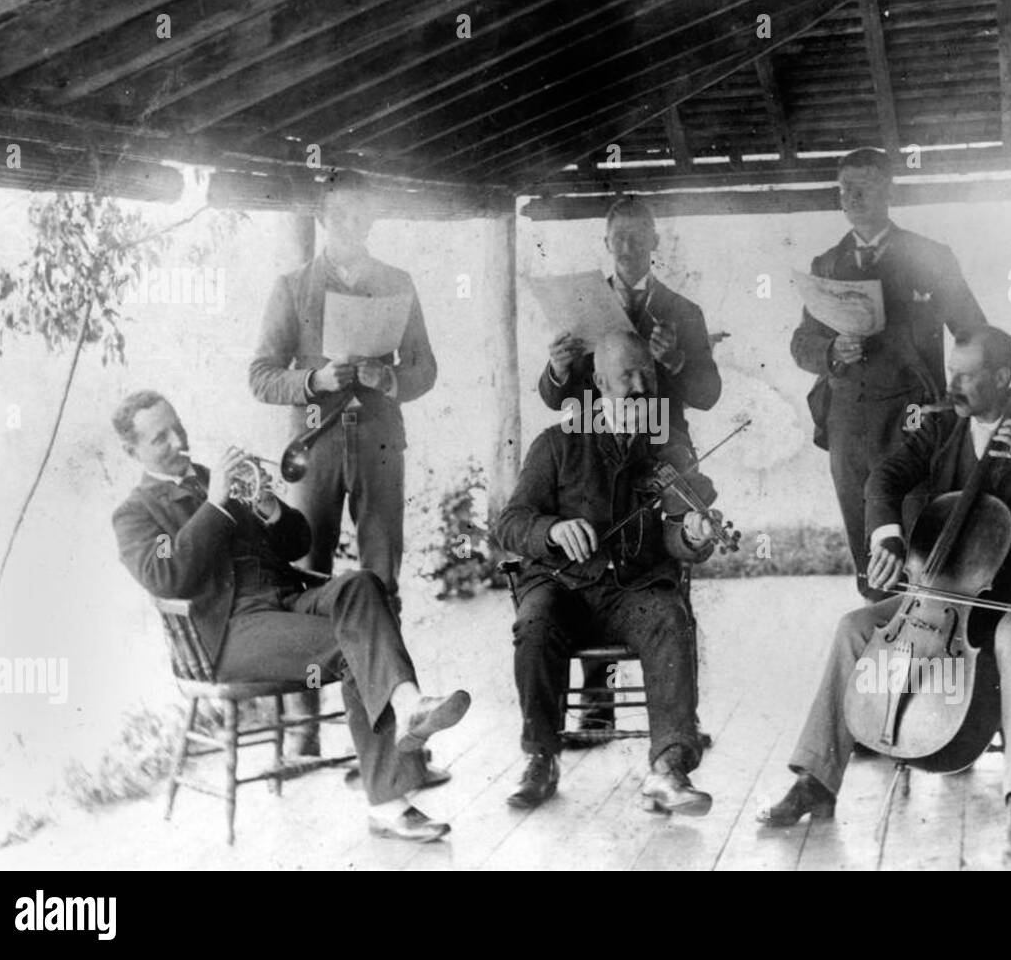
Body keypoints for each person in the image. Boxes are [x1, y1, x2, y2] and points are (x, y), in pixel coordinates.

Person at [761, 327, 1011, 857]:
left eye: (967, 374)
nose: (954, 384)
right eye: (951, 371)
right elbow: (884, 479)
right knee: (855, 628)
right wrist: (890, 536)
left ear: (1001, 375)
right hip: (946, 598)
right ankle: (816, 779)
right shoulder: (942, 430)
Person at [110, 391, 469, 841]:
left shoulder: (212, 478)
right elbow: (168, 576)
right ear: (132, 451)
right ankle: (388, 800)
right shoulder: (135, 513)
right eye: (160, 437)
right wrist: (217, 503)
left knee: (362, 584)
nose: (177, 439)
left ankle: (408, 704)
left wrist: (268, 505)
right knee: (355, 646)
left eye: (177, 426)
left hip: (285, 598)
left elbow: (297, 544)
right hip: (231, 633)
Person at [249, 168, 437, 754]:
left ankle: (394, 730)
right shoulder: (291, 286)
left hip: (380, 440)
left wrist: (391, 377)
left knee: (382, 581)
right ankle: (306, 728)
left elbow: (425, 369)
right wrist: (314, 378)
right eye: (342, 215)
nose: (354, 225)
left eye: (364, 214)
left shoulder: (397, 282)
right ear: (322, 218)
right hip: (314, 445)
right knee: (306, 569)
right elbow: (260, 375)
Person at [496, 332, 720, 814]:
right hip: (563, 587)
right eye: (627, 377)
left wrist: (694, 535)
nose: (640, 387)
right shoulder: (557, 443)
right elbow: (511, 523)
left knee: (669, 617)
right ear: (598, 383)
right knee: (534, 624)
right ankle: (540, 756)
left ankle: (669, 768)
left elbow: (675, 534)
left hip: (631, 591)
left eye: (648, 375)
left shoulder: (668, 446)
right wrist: (552, 530)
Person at [539, 195, 722, 736]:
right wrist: (556, 368)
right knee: (594, 552)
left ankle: (677, 714)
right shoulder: (580, 305)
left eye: (639, 237)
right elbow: (555, 399)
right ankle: (597, 701)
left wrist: (679, 363)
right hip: (595, 445)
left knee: (669, 555)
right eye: (618, 236)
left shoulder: (683, 312)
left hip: (662, 443)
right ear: (605, 242)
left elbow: (708, 393)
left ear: (655, 243)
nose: (628, 247)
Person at [791, 148, 985, 600]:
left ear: (888, 190)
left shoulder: (931, 257)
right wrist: (831, 350)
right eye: (844, 188)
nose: (852, 196)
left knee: (921, 552)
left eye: (864, 185)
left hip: (912, 424)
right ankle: (885, 654)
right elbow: (801, 346)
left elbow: (974, 332)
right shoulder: (825, 265)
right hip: (848, 428)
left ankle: (926, 652)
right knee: (872, 564)